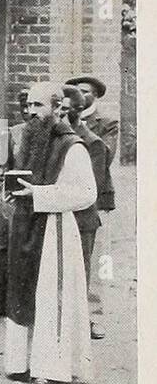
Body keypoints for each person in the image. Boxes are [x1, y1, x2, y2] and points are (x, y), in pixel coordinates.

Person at [3, 82, 95, 384]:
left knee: (49, 296)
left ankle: (51, 368)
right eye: (29, 105)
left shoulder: (72, 145)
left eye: (38, 106)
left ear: (58, 108)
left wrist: (40, 195)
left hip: (54, 229)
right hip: (25, 224)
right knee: (23, 292)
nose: (31, 112)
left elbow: (86, 193)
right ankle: (21, 363)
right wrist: (15, 193)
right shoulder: (29, 138)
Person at [58, 84, 113, 341]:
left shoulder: (101, 130)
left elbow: (94, 179)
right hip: (69, 206)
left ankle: (92, 317)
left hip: (93, 206)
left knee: (95, 264)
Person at [0, 89, 32, 317]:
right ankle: (2, 302)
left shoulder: (47, 135)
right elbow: (3, 168)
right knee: (2, 248)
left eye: (32, 106)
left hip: (33, 201)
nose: (27, 111)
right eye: (23, 106)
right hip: (10, 201)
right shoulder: (13, 133)